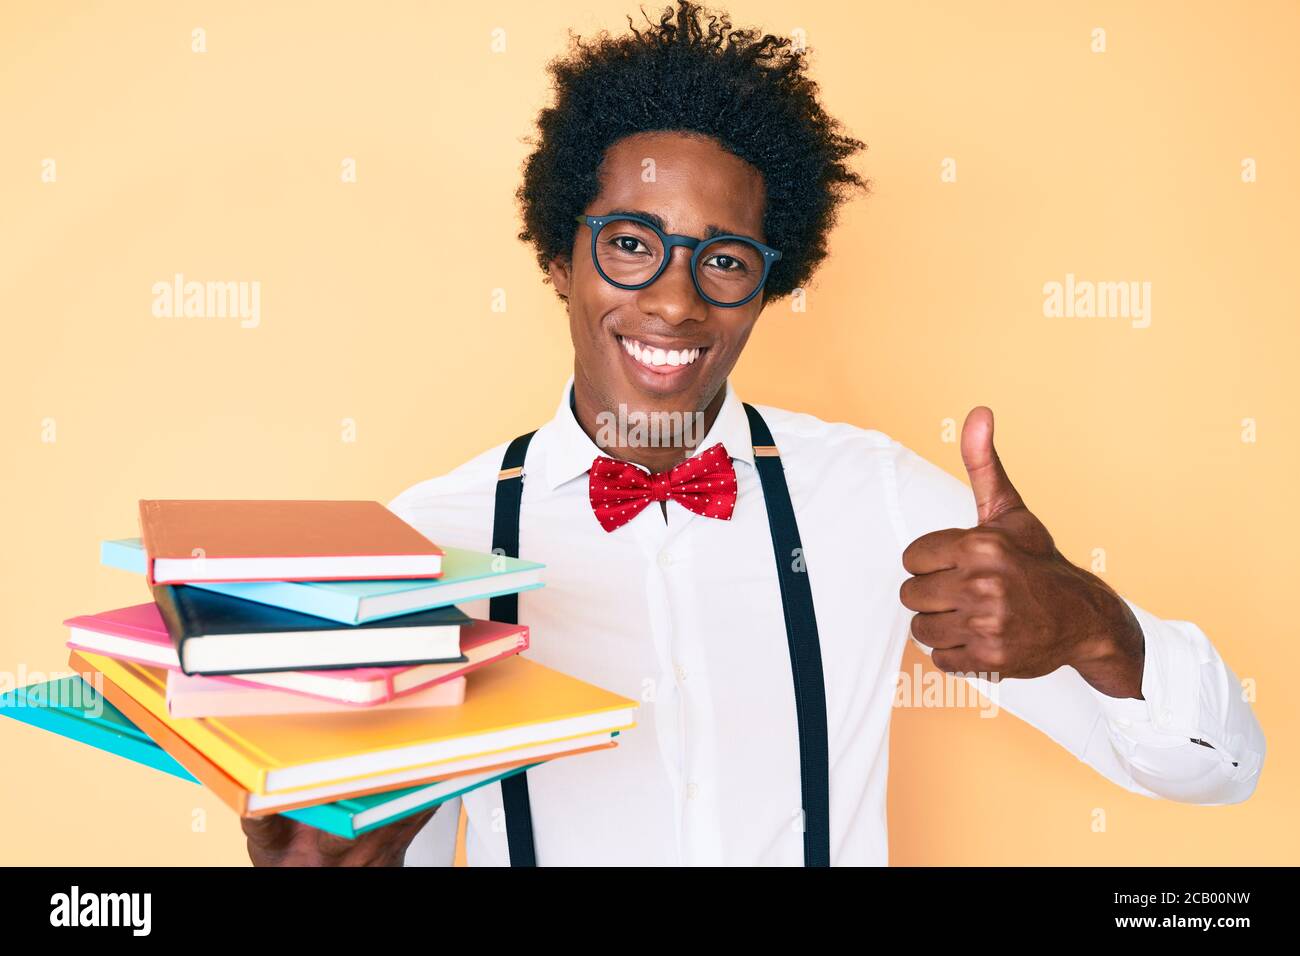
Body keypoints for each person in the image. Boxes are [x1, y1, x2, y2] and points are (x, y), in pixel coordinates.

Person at [241, 0, 1265, 867]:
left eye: (724, 259)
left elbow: (1220, 769)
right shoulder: (426, 543)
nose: (675, 301)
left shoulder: (872, 499)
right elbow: (357, 838)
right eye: (631, 244)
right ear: (559, 255)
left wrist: (1094, 624)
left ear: (769, 283)